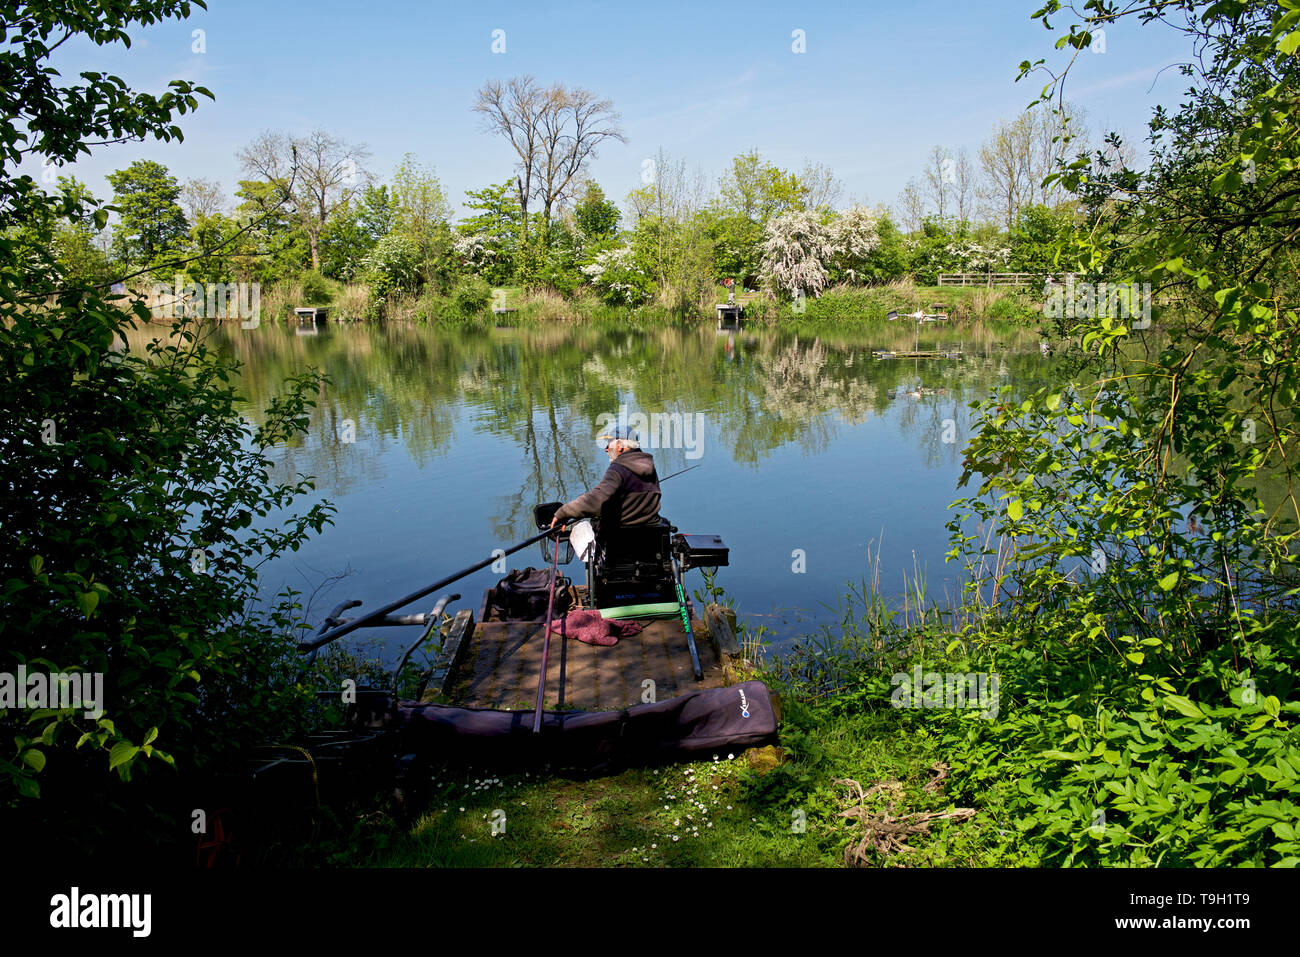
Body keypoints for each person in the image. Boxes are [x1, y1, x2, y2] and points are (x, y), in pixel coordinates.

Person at [550, 426, 661, 530]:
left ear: (619, 445)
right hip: (652, 533)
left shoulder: (618, 469)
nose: (606, 449)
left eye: (609, 444)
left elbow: (596, 501)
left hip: (619, 539)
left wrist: (564, 512)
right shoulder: (649, 467)